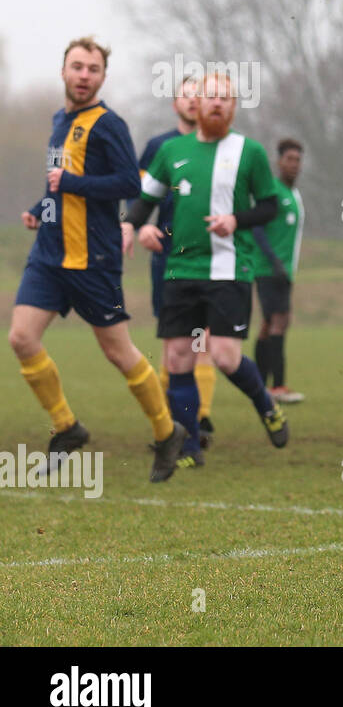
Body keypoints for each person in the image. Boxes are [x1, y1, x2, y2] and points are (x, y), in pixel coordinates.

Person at [9, 36, 187, 483]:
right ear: (63, 71)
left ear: (102, 77)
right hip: (49, 258)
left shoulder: (109, 125)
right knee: (21, 338)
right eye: (77, 67)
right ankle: (68, 428)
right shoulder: (57, 121)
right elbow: (57, 183)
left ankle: (168, 433)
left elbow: (129, 183)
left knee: (118, 352)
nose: (84, 75)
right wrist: (39, 206)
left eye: (92, 69)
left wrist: (70, 182)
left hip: (95, 259)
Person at [125, 72, 289, 462]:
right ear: (194, 105)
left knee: (225, 356)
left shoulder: (249, 152)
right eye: (210, 97)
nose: (216, 103)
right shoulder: (170, 151)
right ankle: (191, 445)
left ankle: (265, 404)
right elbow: (145, 200)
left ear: (233, 107)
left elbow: (269, 206)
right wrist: (133, 226)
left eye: (225, 98)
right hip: (179, 270)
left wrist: (235, 220)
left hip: (229, 268)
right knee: (178, 358)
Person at [127, 75, 221, 452]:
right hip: (168, 255)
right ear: (175, 104)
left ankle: (200, 418)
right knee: (174, 341)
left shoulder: (221, 145)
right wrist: (144, 227)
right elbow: (140, 197)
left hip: (208, 254)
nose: (193, 100)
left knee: (206, 339)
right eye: (186, 94)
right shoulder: (157, 146)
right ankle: (174, 423)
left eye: (199, 94)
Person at [252, 138, 305, 404]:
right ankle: (278, 386)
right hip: (270, 268)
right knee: (280, 320)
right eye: (289, 159)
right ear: (278, 161)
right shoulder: (271, 190)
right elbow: (257, 226)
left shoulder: (293, 194)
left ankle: (258, 385)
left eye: (298, 160)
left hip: (283, 270)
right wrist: (273, 261)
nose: (294, 165)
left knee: (267, 323)